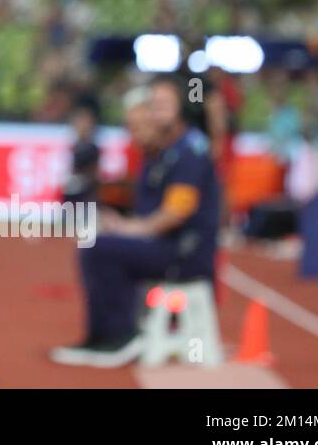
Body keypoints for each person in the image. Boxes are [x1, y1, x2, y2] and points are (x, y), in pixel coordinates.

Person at [50, 77, 221, 367]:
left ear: (182, 107)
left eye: (163, 105)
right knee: (99, 243)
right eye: (153, 106)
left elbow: (176, 212)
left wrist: (132, 229)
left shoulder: (190, 151)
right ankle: (102, 338)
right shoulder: (162, 152)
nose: (155, 113)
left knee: (101, 249)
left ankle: (119, 337)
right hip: (167, 245)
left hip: (184, 253)